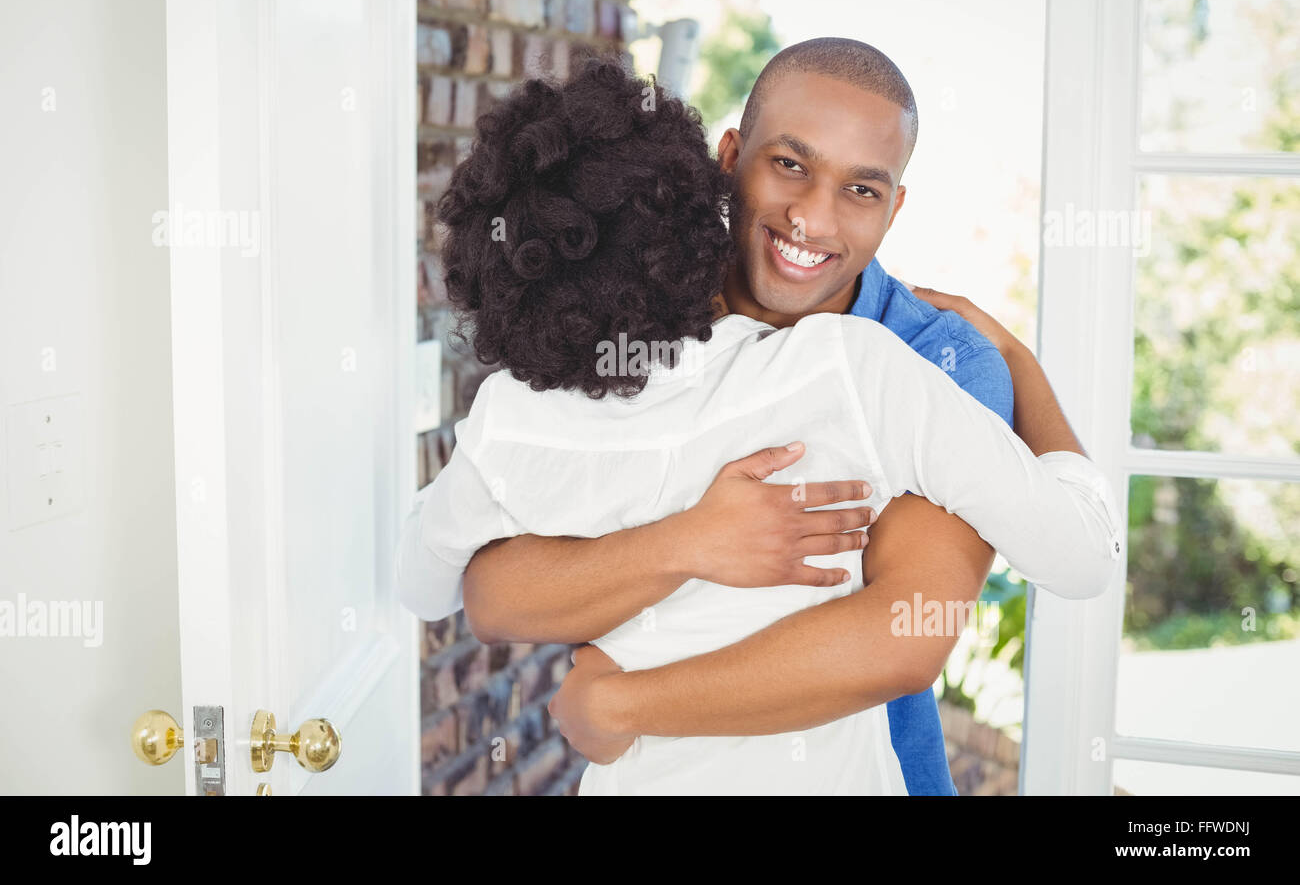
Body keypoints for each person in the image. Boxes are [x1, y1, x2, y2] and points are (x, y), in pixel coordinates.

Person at [397, 51, 1120, 794]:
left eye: (862, 189)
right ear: (732, 158)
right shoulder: (630, 316)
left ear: (894, 207)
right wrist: (691, 542)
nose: (813, 217)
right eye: (790, 165)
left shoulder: (936, 361)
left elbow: (902, 636)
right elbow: (494, 594)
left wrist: (621, 701)